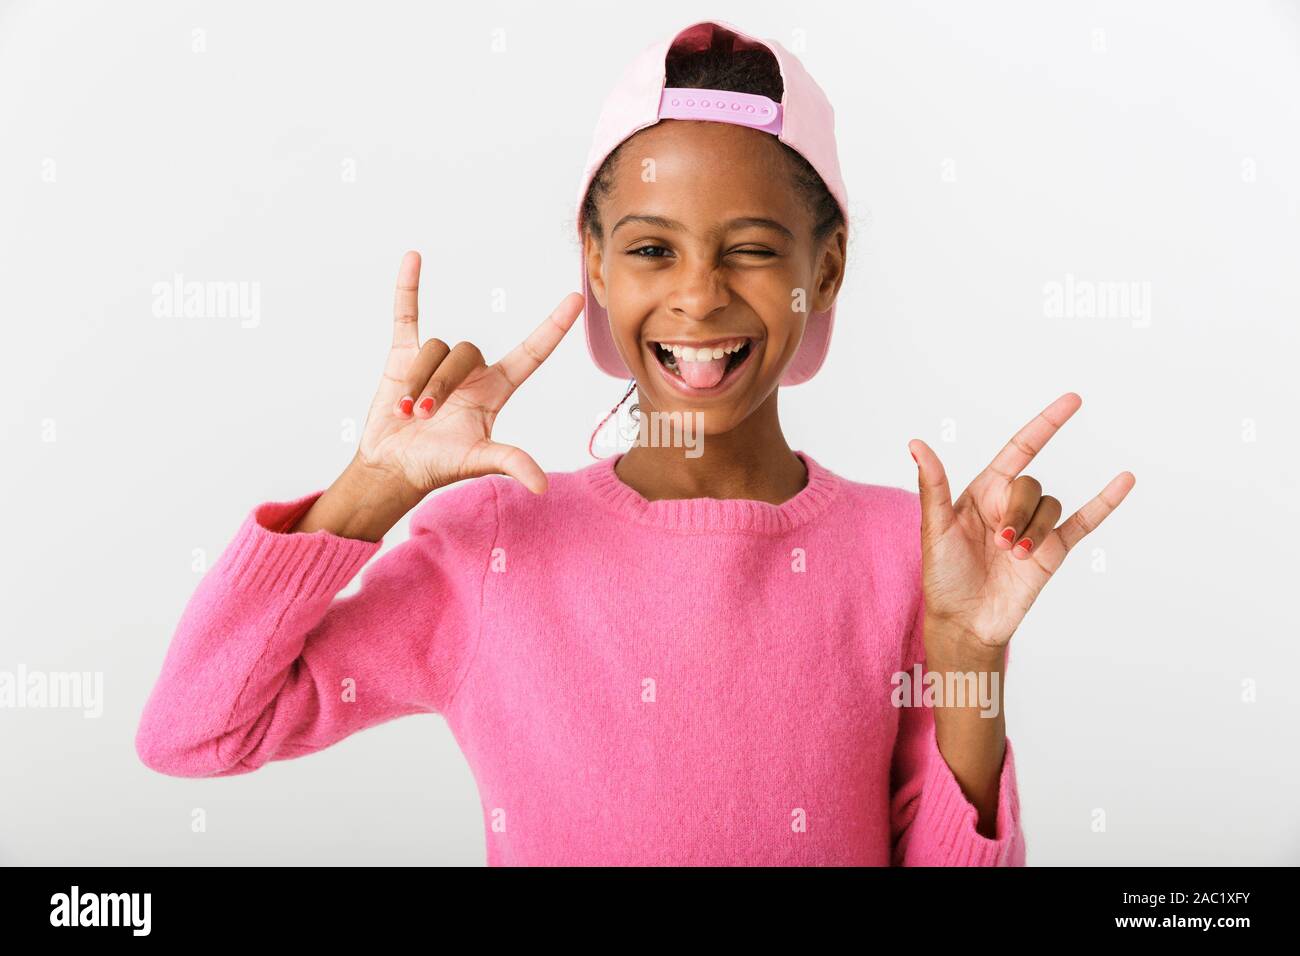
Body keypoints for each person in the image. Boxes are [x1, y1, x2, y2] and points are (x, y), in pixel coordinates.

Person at [135, 19, 1134, 866]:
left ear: (822, 271)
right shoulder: (493, 542)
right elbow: (198, 729)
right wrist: (372, 489)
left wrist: (967, 653)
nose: (699, 294)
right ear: (597, 267)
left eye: (750, 248)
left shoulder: (907, 554)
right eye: (653, 248)